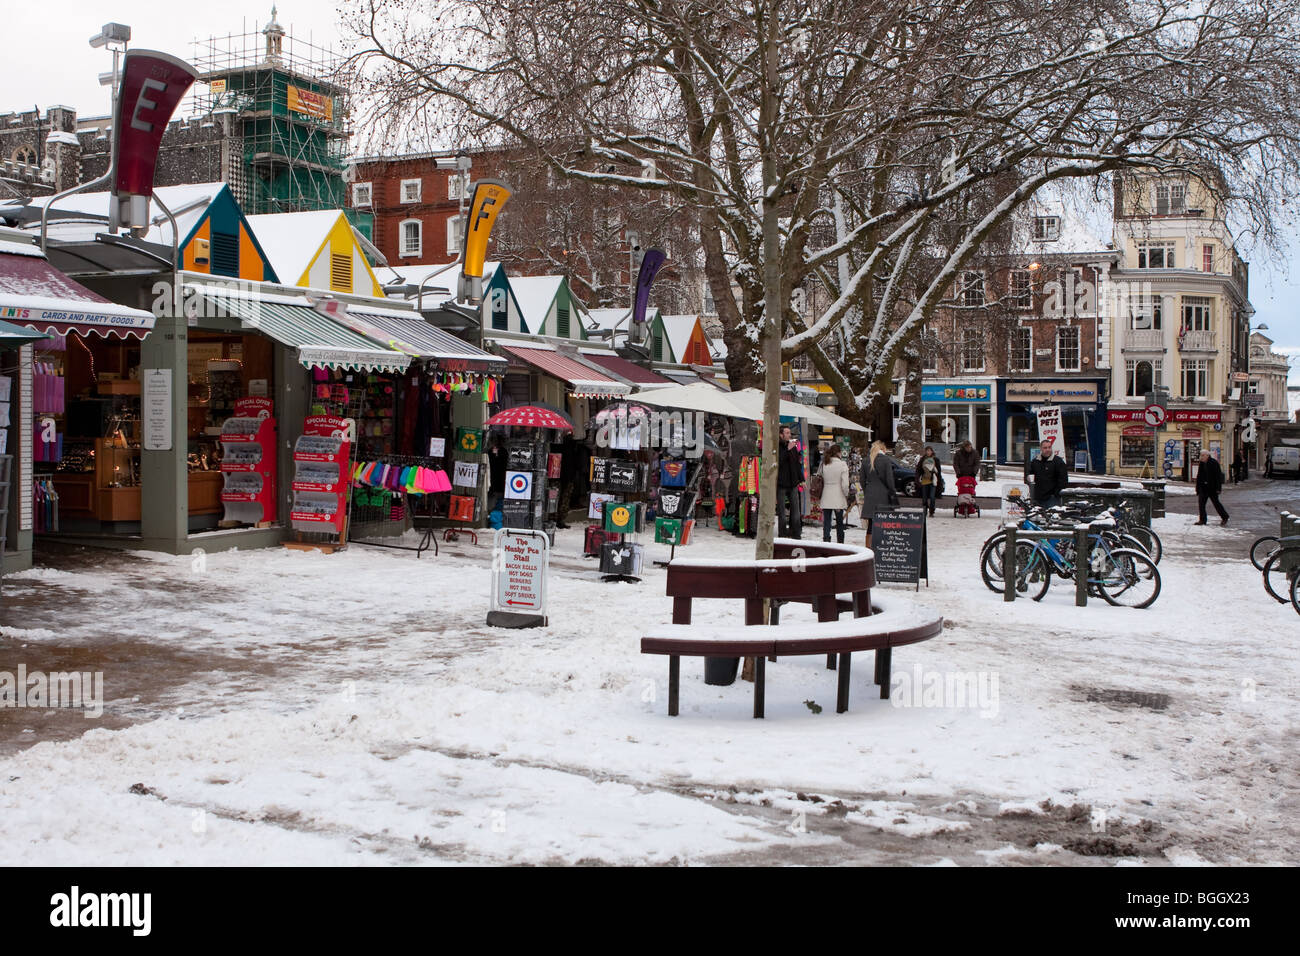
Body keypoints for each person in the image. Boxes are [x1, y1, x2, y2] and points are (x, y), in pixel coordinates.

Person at [860, 439, 897, 535]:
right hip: (883, 495)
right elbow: (889, 480)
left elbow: (862, 480)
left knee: (871, 524)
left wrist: (867, 491)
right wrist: (892, 493)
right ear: (883, 449)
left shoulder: (865, 460)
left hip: (870, 494)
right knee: (883, 523)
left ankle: (868, 546)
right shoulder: (886, 460)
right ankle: (881, 545)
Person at [817, 443, 851, 543]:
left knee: (827, 521)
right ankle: (840, 542)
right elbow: (845, 484)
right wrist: (846, 494)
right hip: (838, 496)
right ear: (839, 453)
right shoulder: (842, 464)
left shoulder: (824, 463)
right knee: (839, 522)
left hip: (826, 494)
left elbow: (819, 475)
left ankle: (826, 540)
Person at [776, 424, 803, 538]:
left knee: (795, 510)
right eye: (787, 433)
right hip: (781, 483)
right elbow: (778, 462)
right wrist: (787, 450)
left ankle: (796, 532)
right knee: (782, 511)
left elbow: (797, 464)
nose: (789, 435)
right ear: (781, 435)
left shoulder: (792, 447)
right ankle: (782, 533)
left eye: (789, 433)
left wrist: (802, 479)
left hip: (793, 482)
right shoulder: (777, 447)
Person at [1025, 439, 1069, 509]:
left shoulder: (1058, 461)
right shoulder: (1035, 461)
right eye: (1045, 448)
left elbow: (1063, 479)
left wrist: (1056, 493)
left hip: (1052, 498)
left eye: (1049, 447)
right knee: (1039, 518)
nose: (1048, 449)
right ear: (1041, 449)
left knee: (1052, 518)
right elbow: (1029, 475)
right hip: (1038, 498)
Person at [1195, 448, 1229, 525]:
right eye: (1201, 455)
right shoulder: (1202, 463)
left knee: (1216, 504)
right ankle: (1202, 520)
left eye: (1203, 455)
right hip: (1203, 488)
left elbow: (1218, 477)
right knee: (1201, 505)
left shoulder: (1214, 463)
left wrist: (1218, 488)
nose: (1201, 457)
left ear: (1207, 455)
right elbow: (1199, 476)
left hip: (1212, 488)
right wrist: (1197, 488)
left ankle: (1225, 517)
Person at [917, 445, 943, 517]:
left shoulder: (936, 459)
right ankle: (925, 510)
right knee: (924, 497)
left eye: (929, 450)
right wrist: (919, 477)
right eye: (927, 451)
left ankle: (931, 511)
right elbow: (919, 469)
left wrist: (937, 477)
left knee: (932, 497)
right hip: (925, 480)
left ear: (932, 451)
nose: (928, 452)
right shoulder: (922, 459)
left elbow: (939, 471)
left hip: (933, 480)